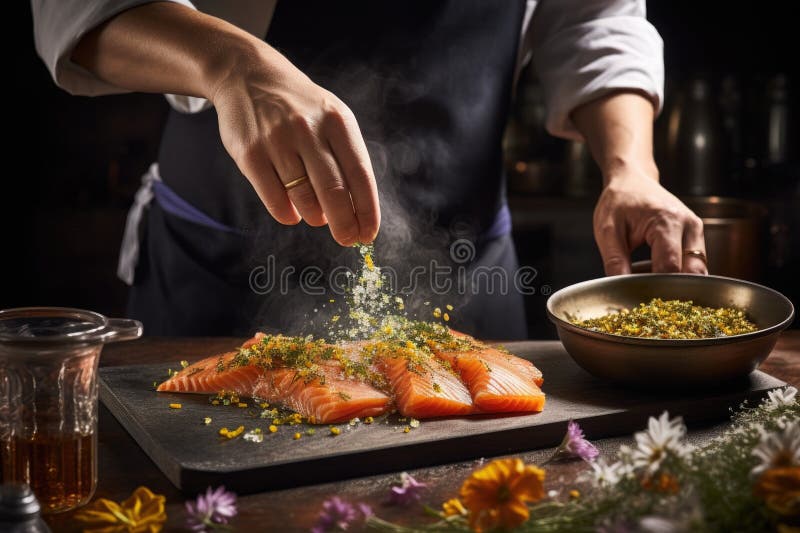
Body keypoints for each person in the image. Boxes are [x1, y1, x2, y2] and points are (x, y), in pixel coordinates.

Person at [31, 0, 707, 339]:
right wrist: (229, 62)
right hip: (218, 275)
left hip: (472, 275)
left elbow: (594, 18)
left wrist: (631, 169)